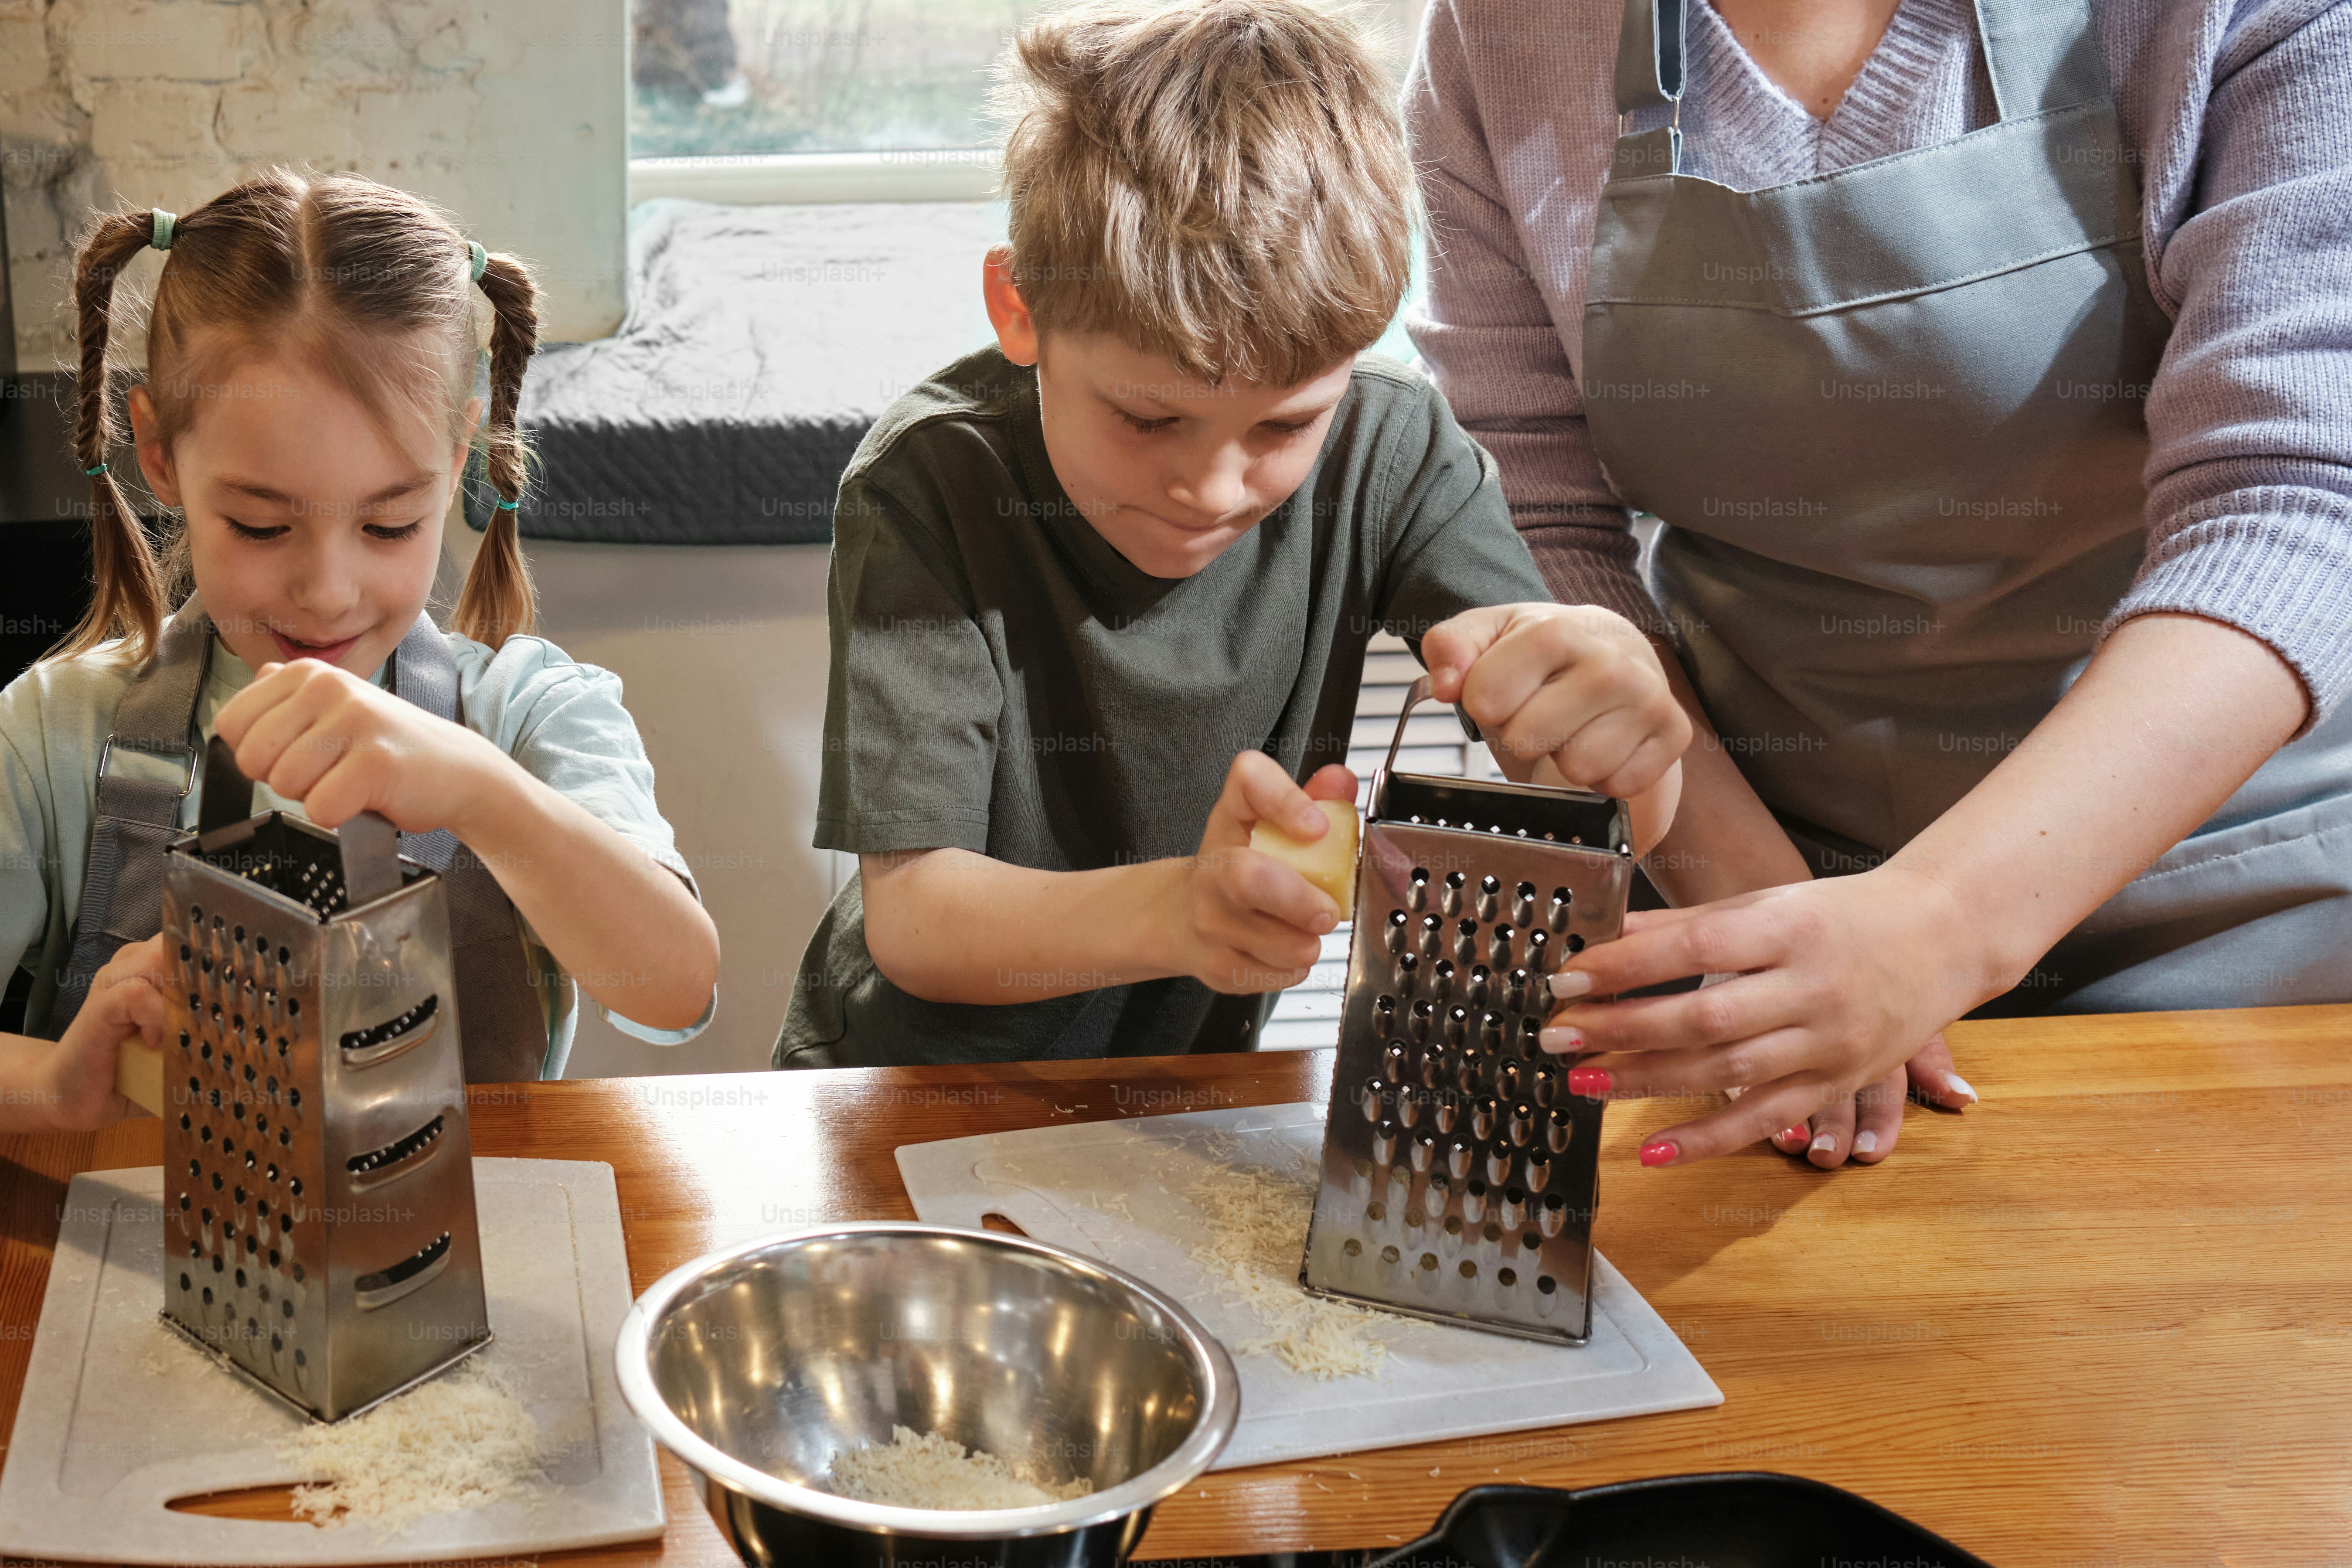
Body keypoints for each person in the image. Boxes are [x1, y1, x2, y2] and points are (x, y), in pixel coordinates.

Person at [1406, 0, 2352, 1166]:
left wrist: (1941, 921)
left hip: (2220, 923)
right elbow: (1534, 516)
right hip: (1743, 901)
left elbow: (2294, 501)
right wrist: (1756, 921)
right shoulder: (1502, 34)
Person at [776, 0, 1692, 1068]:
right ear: (1019, 307)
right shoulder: (929, 483)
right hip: (908, 1088)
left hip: (1187, 1091)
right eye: (1148, 418)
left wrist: (1625, 734)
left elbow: (1600, 800)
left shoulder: (1390, 450)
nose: (1210, 487)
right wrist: (1180, 911)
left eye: (1285, 423)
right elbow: (917, 918)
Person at [0, 170, 721, 1125]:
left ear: (460, 458)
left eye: (388, 526)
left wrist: (478, 787)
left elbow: (675, 990)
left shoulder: (529, 714)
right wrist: (55, 1087)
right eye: (261, 526)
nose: (328, 590)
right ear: (160, 453)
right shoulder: (52, 733)